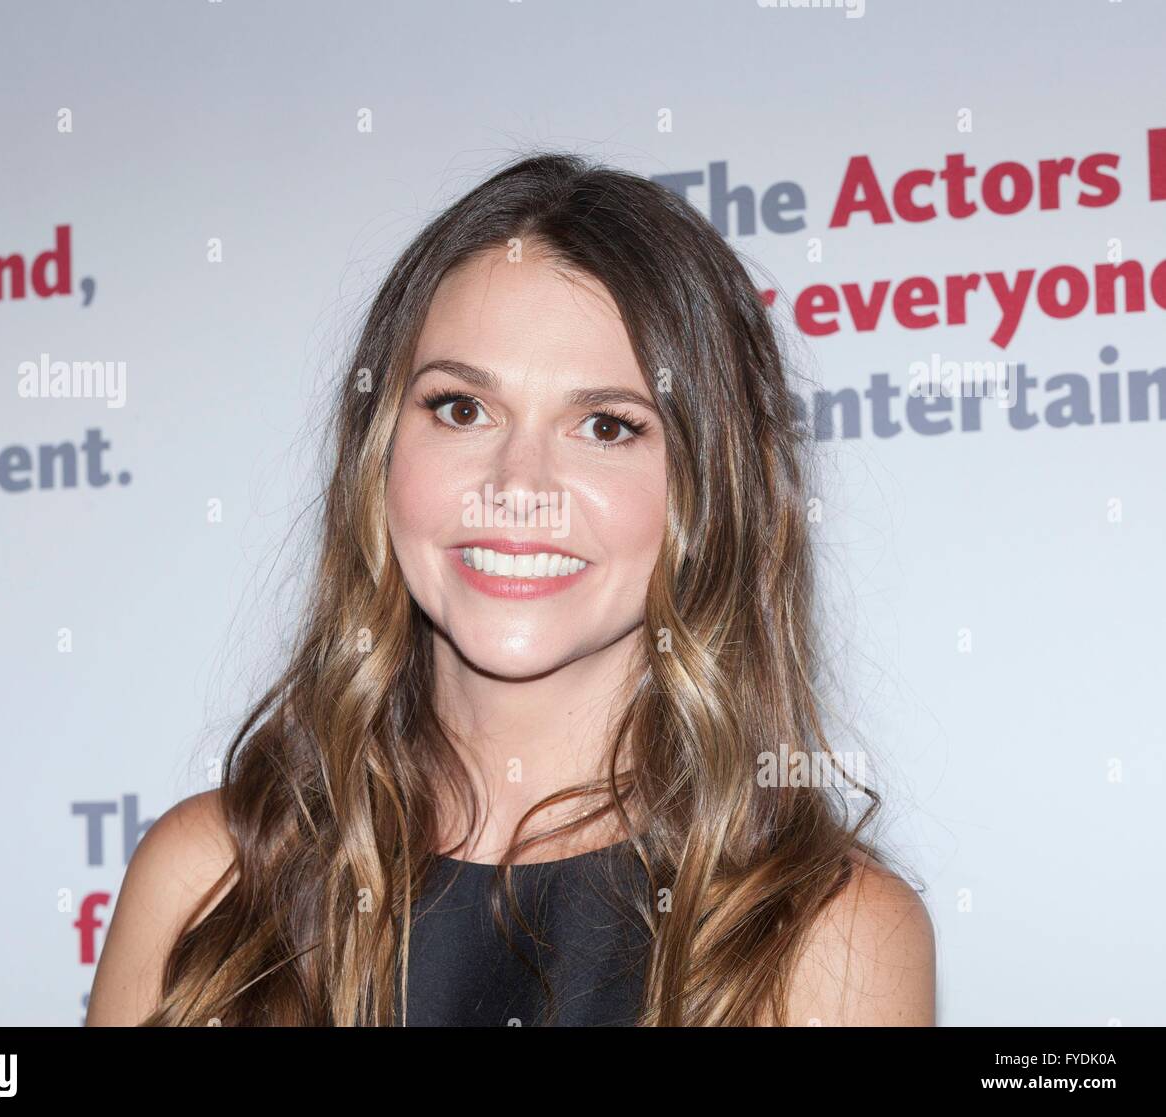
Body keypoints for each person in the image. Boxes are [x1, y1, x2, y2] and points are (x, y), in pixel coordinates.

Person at [86, 151, 935, 1027]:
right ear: (378, 452)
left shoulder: (827, 935)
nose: (517, 483)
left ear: (712, 491)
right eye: (462, 409)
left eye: (607, 425)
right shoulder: (209, 884)